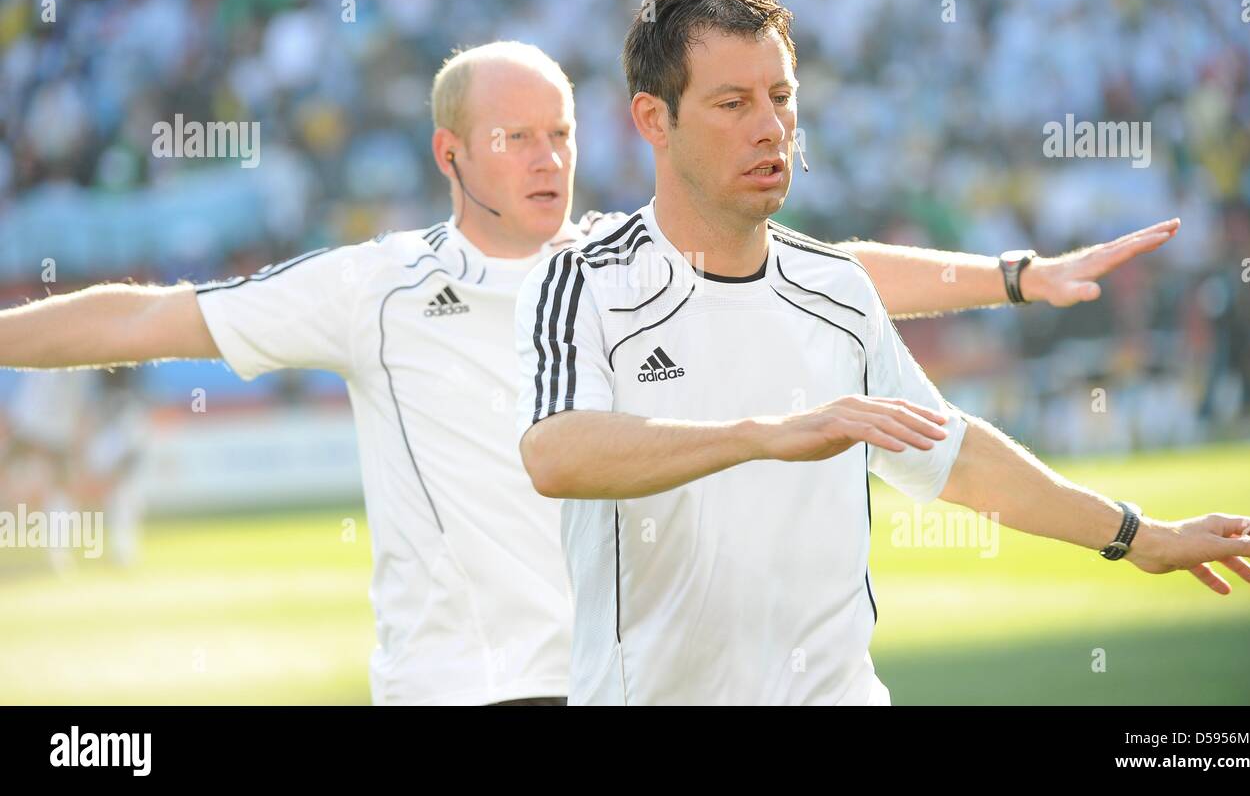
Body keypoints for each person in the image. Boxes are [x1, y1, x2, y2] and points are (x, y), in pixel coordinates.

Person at [0, 40, 1177, 705]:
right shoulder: (377, 286)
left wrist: (1015, 273)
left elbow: (834, 267)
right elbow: (154, 314)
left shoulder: (618, 264)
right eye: (515, 135)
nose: (546, 156)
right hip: (460, 686)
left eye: (561, 131)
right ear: (450, 153)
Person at [514, 0, 1250, 705]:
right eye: (731, 104)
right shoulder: (585, 280)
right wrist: (763, 434)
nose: (770, 127)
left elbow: (956, 458)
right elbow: (556, 452)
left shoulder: (839, 292)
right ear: (654, 118)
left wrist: (1139, 535)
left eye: (781, 96)